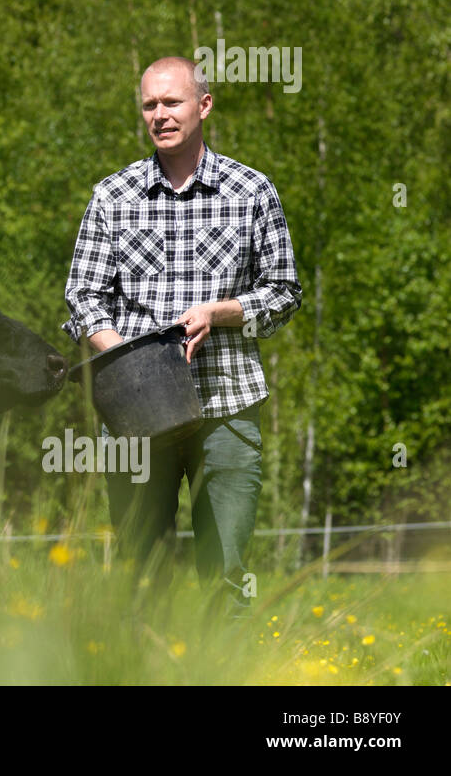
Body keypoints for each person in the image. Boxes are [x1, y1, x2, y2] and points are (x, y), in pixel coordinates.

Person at [63, 56, 302, 613]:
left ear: (204, 105)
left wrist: (221, 313)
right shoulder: (112, 197)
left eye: (172, 102)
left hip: (228, 408)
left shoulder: (252, 192)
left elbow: (285, 291)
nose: (160, 115)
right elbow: (82, 299)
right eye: (149, 104)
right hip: (135, 415)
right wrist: (125, 352)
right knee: (141, 575)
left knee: (225, 575)